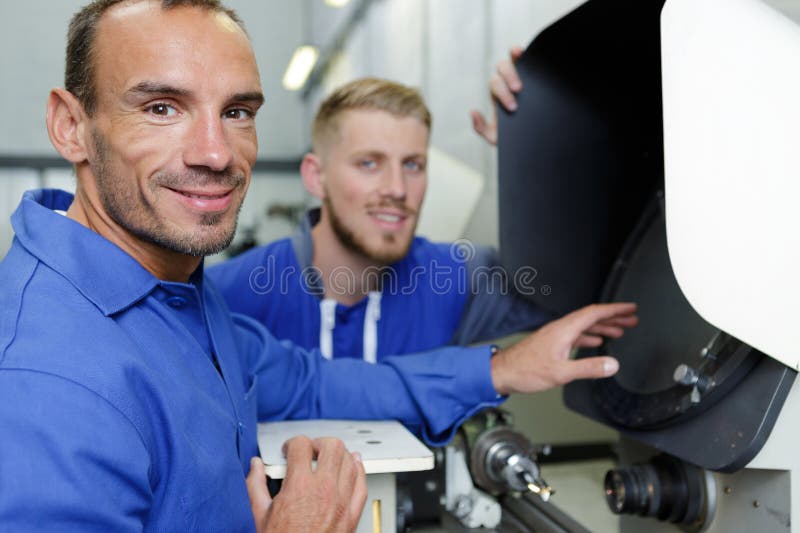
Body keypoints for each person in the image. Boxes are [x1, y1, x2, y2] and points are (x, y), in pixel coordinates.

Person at [0, 2, 636, 531]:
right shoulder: (44, 376)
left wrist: (502, 366)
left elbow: (316, 385)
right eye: (162, 107)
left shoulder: (183, 297)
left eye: (237, 112)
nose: (216, 153)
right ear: (70, 127)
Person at [207, 77, 557, 362]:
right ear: (316, 177)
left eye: (412, 165)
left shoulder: (455, 279)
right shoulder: (226, 297)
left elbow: (574, 287)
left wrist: (533, 152)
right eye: (369, 163)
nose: (397, 189)